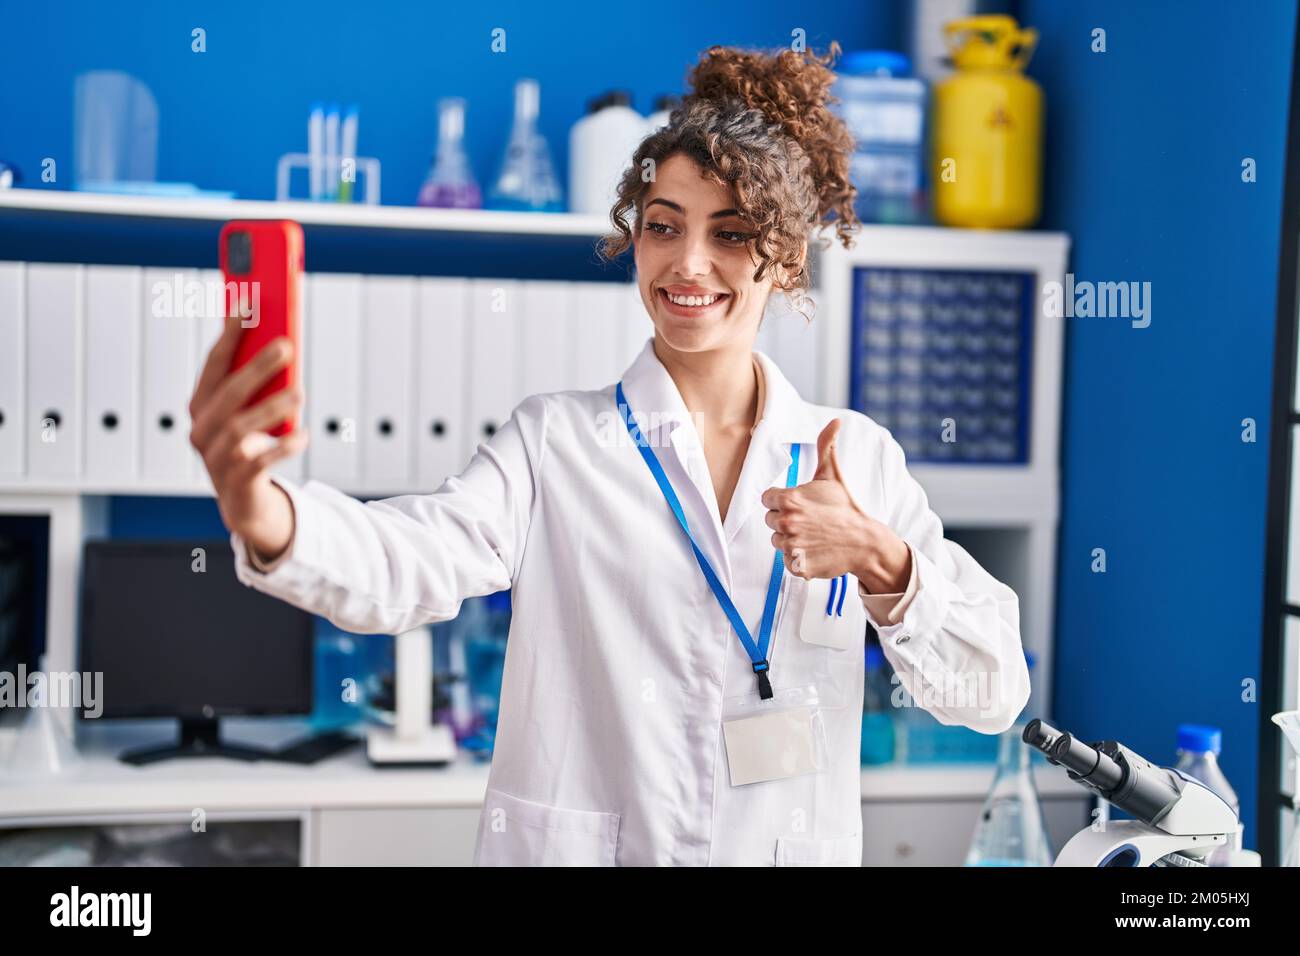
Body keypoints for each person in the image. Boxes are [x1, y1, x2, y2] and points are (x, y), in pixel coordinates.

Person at [189, 42, 1029, 867]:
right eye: (663, 227)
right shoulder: (556, 444)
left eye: (730, 234)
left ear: (784, 258)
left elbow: (990, 696)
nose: (688, 263)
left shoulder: (859, 461)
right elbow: (405, 561)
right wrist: (262, 508)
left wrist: (883, 561)